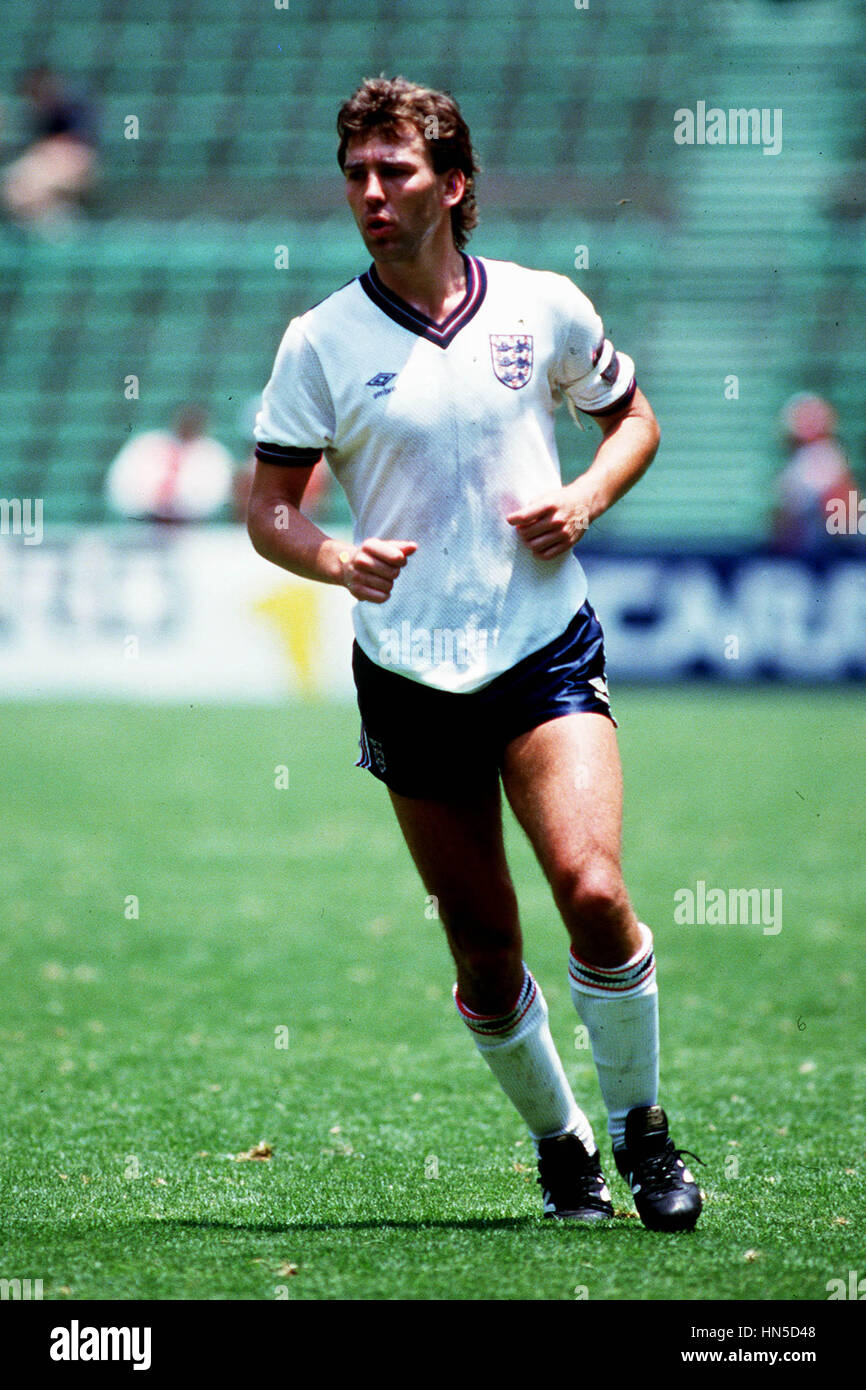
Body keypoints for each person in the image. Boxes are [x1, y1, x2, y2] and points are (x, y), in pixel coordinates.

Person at [247, 76, 702, 1231]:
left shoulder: (540, 307)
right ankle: (562, 1146)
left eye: (393, 171)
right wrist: (332, 558)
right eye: (354, 173)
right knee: (486, 954)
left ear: (451, 184)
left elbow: (632, 420)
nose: (370, 193)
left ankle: (644, 1131)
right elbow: (269, 509)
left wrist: (586, 494)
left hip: (541, 648)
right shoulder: (320, 341)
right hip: (406, 674)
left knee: (594, 890)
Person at [1, 67, 98, 229]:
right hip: (39, 181)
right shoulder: (29, 114)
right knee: (18, 189)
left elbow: (78, 154)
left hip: (70, 172)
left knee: (22, 187)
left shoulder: (71, 112)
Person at [106, 406, 235, 524]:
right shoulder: (146, 444)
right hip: (145, 522)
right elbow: (122, 483)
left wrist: (178, 504)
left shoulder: (214, 453)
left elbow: (215, 495)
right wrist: (155, 503)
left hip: (191, 526)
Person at [772, 392, 861, 558]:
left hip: (824, 551)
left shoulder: (826, 457)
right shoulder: (802, 460)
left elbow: (844, 518)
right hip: (806, 550)